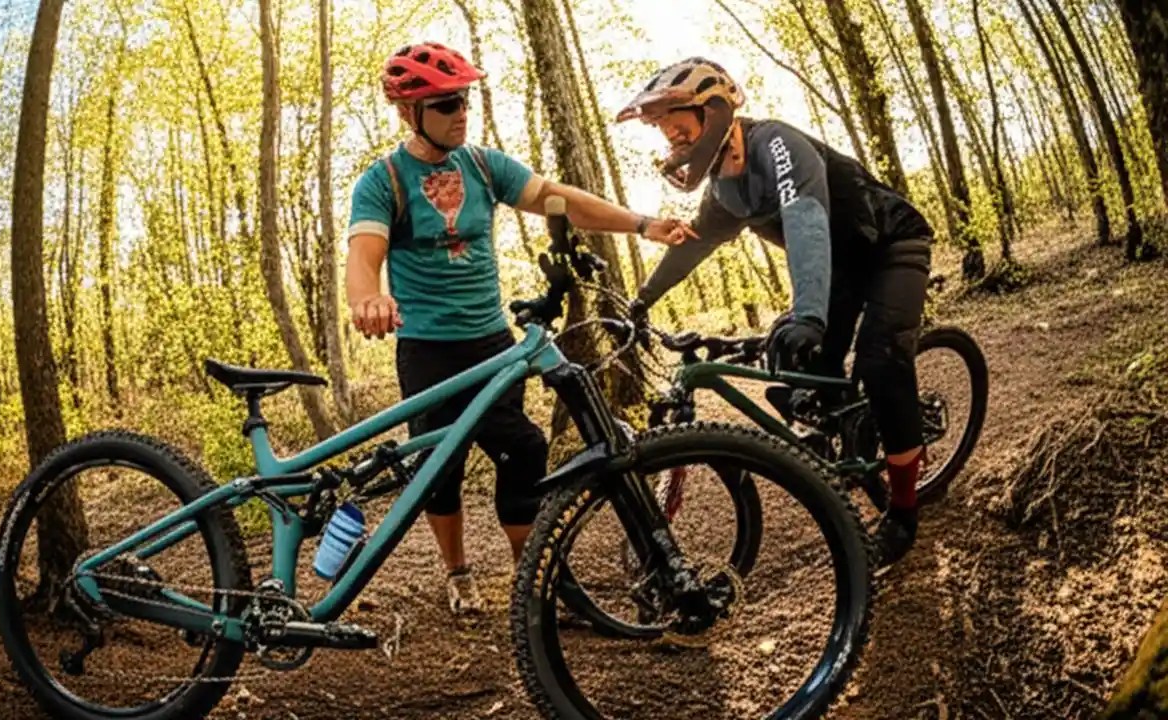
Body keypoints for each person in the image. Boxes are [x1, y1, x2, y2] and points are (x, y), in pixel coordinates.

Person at [345, 42, 692, 614]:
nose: (463, 113)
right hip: (427, 350)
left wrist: (643, 223)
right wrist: (367, 300)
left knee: (523, 450)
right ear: (410, 113)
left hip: (491, 344)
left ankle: (530, 576)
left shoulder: (483, 165)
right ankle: (456, 573)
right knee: (441, 471)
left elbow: (561, 199)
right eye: (448, 103)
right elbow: (364, 255)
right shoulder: (383, 181)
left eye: (466, 101)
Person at [619, 57, 935, 567]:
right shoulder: (724, 188)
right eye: (660, 128)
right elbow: (692, 248)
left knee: (880, 364)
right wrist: (640, 300)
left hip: (891, 243)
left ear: (715, 111)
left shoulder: (775, 144)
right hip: (840, 268)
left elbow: (805, 218)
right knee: (796, 375)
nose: (669, 136)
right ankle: (852, 437)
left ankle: (902, 509)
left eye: (676, 119)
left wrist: (808, 312)